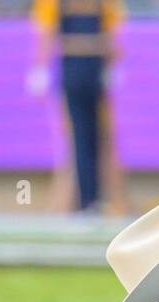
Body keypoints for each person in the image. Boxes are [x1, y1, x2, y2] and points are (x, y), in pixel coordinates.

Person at [31, 0, 126, 215]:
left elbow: (112, 35)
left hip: (89, 71)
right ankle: (85, 201)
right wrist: (41, 67)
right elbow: (48, 33)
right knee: (80, 139)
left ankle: (95, 200)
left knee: (97, 139)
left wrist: (113, 66)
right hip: (78, 71)